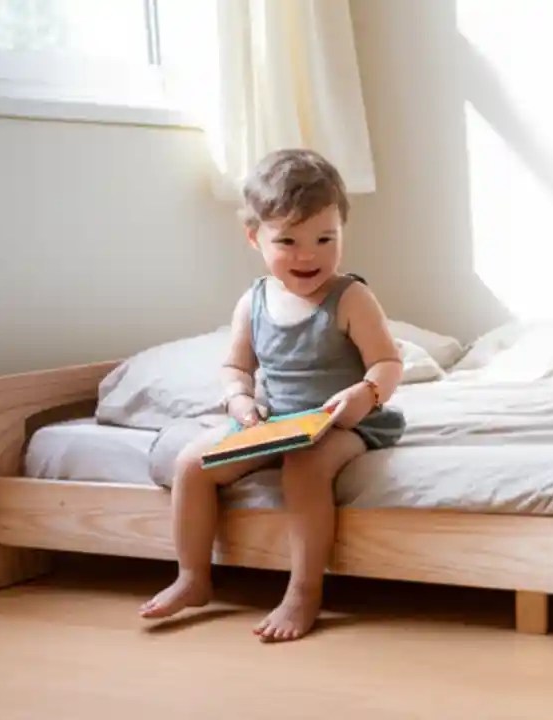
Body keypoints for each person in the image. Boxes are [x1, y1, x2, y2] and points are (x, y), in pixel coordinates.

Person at [138, 148, 406, 641]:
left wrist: (366, 393)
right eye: (288, 240)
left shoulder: (350, 298)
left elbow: (388, 363)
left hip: (343, 422)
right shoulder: (254, 301)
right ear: (254, 237)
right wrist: (240, 399)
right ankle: (193, 577)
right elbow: (236, 366)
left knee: (303, 467)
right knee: (192, 465)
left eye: (326, 239)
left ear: (342, 230)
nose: (309, 255)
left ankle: (304, 591)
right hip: (277, 421)